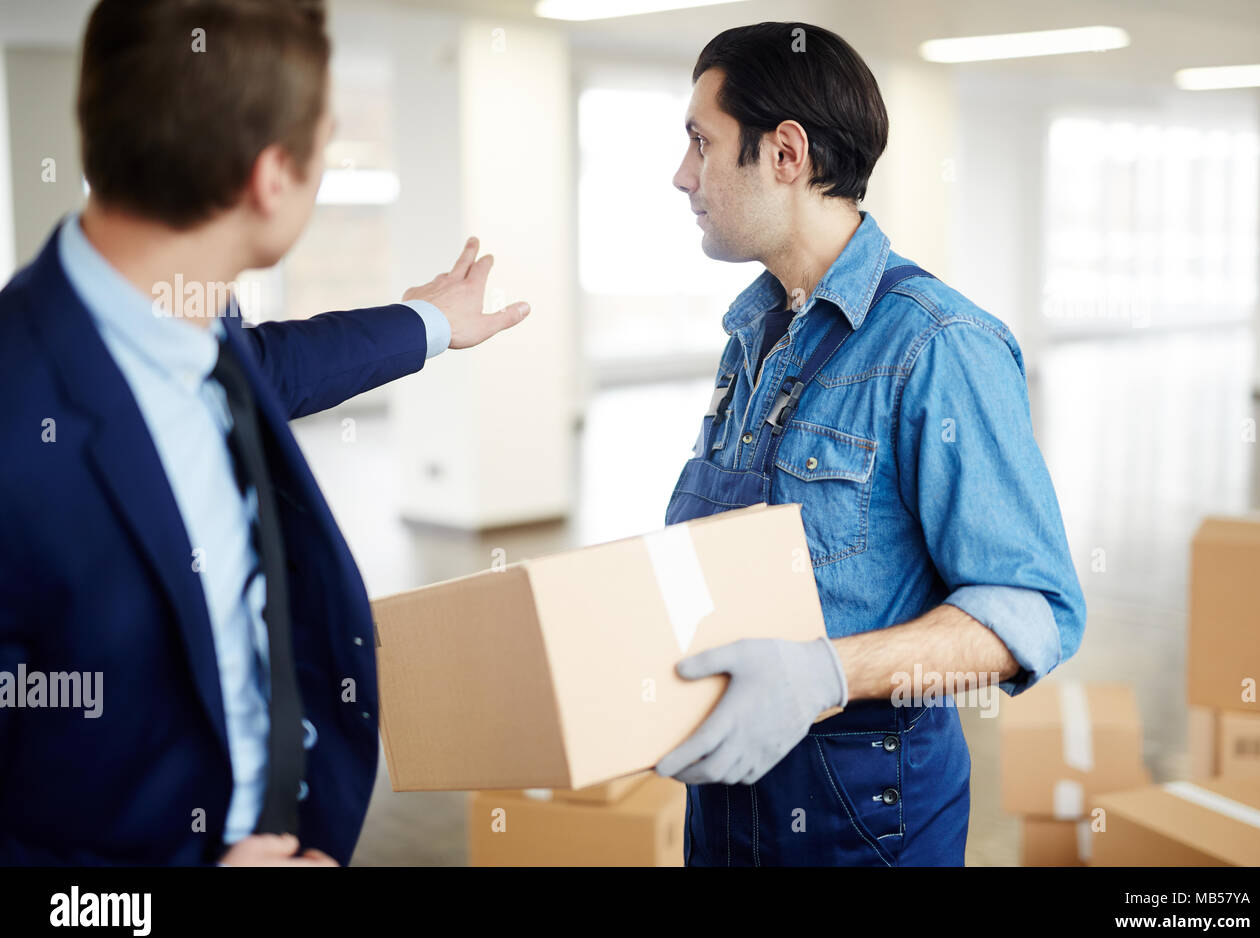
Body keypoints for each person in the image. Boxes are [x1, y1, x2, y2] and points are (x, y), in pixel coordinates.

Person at [0, 0, 528, 865]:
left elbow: (268, 366)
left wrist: (425, 320)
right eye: (324, 143)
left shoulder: (194, 329)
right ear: (271, 177)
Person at [654, 22, 1086, 866]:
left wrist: (826, 673)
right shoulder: (755, 335)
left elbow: (1034, 612)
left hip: (863, 819)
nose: (683, 176)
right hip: (731, 800)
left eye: (701, 143)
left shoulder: (938, 345)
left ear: (785, 153)